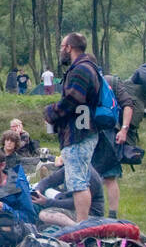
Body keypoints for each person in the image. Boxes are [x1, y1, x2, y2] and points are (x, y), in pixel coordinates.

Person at [43, 33, 103, 222]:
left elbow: (73, 99)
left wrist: (51, 112)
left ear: (69, 47)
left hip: (78, 133)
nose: (61, 51)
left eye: (62, 47)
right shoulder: (86, 67)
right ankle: (82, 224)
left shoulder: (81, 70)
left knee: (78, 183)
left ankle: (82, 226)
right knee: (79, 180)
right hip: (81, 132)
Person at [91, 72, 136, 218]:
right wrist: (123, 130)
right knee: (105, 178)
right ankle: (104, 214)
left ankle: (109, 215)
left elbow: (128, 104)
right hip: (105, 134)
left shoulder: (86, 79)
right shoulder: (111, 81)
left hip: (103, 134)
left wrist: (123, 129)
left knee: (106, 178)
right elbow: (128, 105)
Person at [32, 164, 105, 220]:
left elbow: (74, 203)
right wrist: (37, 191)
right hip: (65, 199)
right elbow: (49, 181)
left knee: (45, 215)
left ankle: (77, 228)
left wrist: (47, 202)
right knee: (37, 186)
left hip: (89, 214)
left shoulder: (91, 177)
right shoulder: (70, 167)